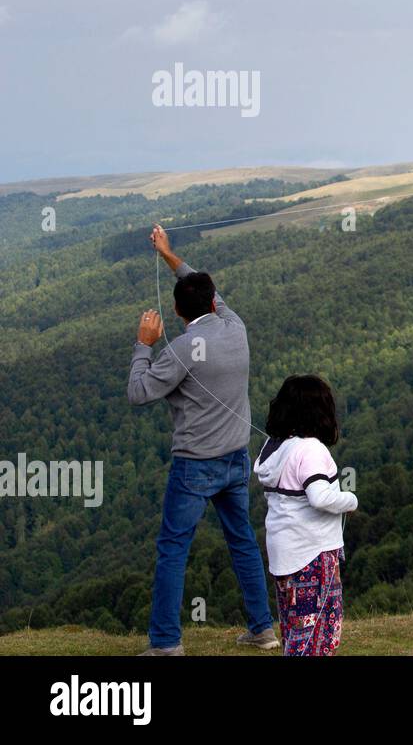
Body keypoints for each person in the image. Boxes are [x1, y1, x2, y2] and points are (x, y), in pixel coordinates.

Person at [128, 224, 277, 655]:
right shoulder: (235, 326)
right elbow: (200, 286)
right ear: (214, 302)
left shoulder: (180, 349)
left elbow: (138, 393)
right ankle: (263, 629)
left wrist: (143, 345)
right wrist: (170, 255)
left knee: (173, 550)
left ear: (177, 313)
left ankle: (165, 644)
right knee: (243, 540)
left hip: (195, 464)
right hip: (235, 458)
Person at [254, 375, 358, 656]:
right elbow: (319, 497)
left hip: (283, 552)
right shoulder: (310, 449)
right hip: (313, 553)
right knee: (319, 634)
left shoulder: (273, 447)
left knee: (294, 629)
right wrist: (349, 499)